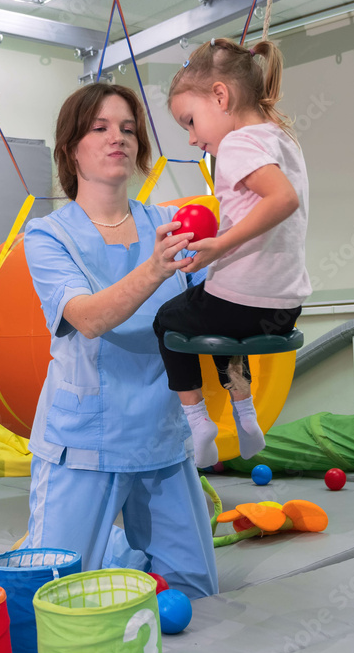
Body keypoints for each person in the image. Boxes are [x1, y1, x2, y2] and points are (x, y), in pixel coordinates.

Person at [21, 82, 218, 600]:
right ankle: (104, 552)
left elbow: (210, 311)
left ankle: (123, 558)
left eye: (128, 129)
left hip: (158, 434)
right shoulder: (47, 236)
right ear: (70, 148)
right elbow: (86, 318)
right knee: (55, 595)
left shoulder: (170, 225)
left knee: (195, 589)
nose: (118, 139)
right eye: (100, 128)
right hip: (83, 441)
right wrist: (154, 270)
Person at [154, 37, 311, 469]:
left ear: (220, 96)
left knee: (167, 319)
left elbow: (283, 200)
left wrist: (218, 246)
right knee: (226, 332)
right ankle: (245, 414)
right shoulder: (283, 140)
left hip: (239, 300)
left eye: (190, 121)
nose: (191, 138)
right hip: (285, 307)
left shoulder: (239, 145)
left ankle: (197, 419)